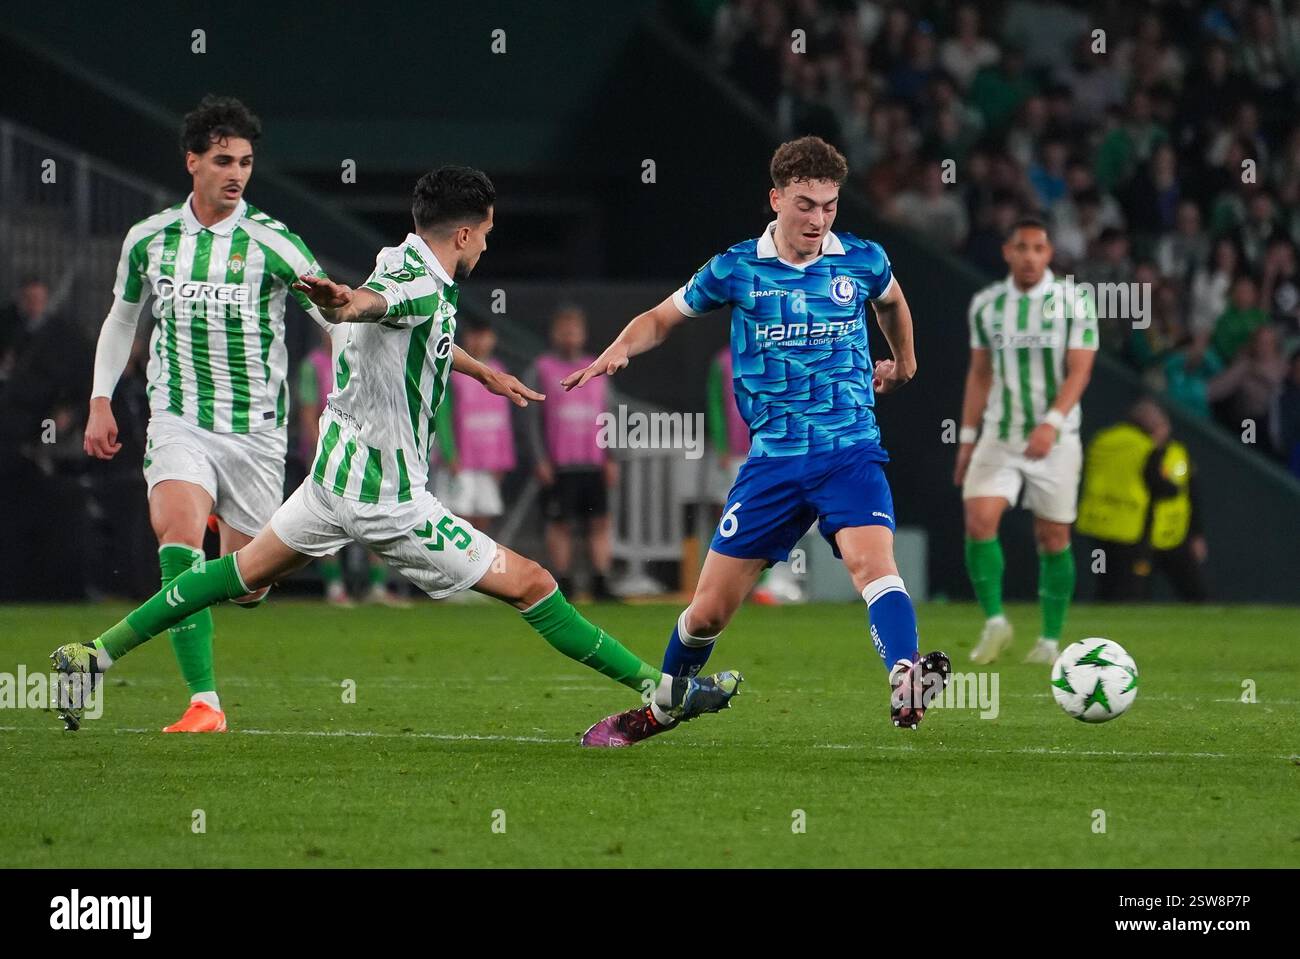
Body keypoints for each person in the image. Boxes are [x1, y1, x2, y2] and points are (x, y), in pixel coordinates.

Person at [51, 166, 741, 738]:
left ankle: (96, 655)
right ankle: (662, 690)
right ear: (464, 232)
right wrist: (350, 306)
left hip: (329, 482)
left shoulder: (398, 258)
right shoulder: (410, 285)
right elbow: (378, 307)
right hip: (388, 499)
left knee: (234, 576)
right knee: (532, 582)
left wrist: (480, 370)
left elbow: (399, 316)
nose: (487, 250)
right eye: (487, 236)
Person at [563, 135, 950, 743]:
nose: (818, 218)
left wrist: (905, 364)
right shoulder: (737, 268)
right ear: (775, 199)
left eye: (828, 205)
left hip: (848, 450)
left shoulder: (862, 260)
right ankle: (661, 710)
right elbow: (663, 317)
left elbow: (893, 302)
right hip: (771, 464)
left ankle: (905, 677)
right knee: (708, 611)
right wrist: (619, 347)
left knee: (871, 565)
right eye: (804, 204)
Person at [81, 96, 332, 732]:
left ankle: (224, 520)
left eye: (246, 162)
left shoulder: (276, 244)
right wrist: (100, 399)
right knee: (178, 541)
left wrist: (350, 400)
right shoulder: (149, 239)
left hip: (256, 433)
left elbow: (340, 320)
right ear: (192, 161)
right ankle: (204, 704)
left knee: (249, 588)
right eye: (223, 160)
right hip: (178, 419)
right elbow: (121, 320)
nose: (237, 173)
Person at [955, 218, 1098, 666]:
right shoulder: (987, 305)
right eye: (1022, 248)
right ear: (1007, 253)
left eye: (1039, 248)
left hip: (1055, 439)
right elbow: (980, 374)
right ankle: (996, 622)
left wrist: (1052, 422)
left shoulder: (1074, 302)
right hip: (1000, 434)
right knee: (979, 519)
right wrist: (966, 440)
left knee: (1053, 536)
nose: (1030, 256)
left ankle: (1050, 641)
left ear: (1050, 253)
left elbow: (1080, 370)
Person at [297, 327, 408, 607]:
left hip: (366, 452)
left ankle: (377, 586)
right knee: (327, 519)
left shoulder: (365, 359)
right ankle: (335, 587)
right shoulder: (314, 365)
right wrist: (318, 451)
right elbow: (308, 412)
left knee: (377, 515)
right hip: (330, 453)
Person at [525, 305, 617, 601]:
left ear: (583, 334)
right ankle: (562, 584)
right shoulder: (542, 369)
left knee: (600, 521)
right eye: (564, 331)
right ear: (555, 334)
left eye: (574, 331)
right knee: (560, 523)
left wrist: (612, 458)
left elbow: (610, 415)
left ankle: (601, 582)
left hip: (593, 461)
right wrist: (540, 458)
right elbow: (530, 418)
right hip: (559, 464)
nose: (569, 336)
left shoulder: (598, 367)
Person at [1077, 400, 1208, 601]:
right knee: (1131, 590)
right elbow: (1159, 485)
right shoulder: (1147, 448)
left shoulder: (1102, 439)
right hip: (1132, 528)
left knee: (1106, 583)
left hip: (1099, 523)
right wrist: (1176, 485)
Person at [434, 315, 516, 534]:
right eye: (474, 336)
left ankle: (479, 567)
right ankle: (454, 569)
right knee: (457, 520)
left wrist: (503, 459)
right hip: (460, 462)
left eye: (485, 336)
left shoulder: (499, 370)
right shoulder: (452, 370)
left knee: (483, 517)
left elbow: (503, 420)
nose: (480, 341)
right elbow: (441, 414)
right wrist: (449, 454)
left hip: (488, 462)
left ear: (493, 339)